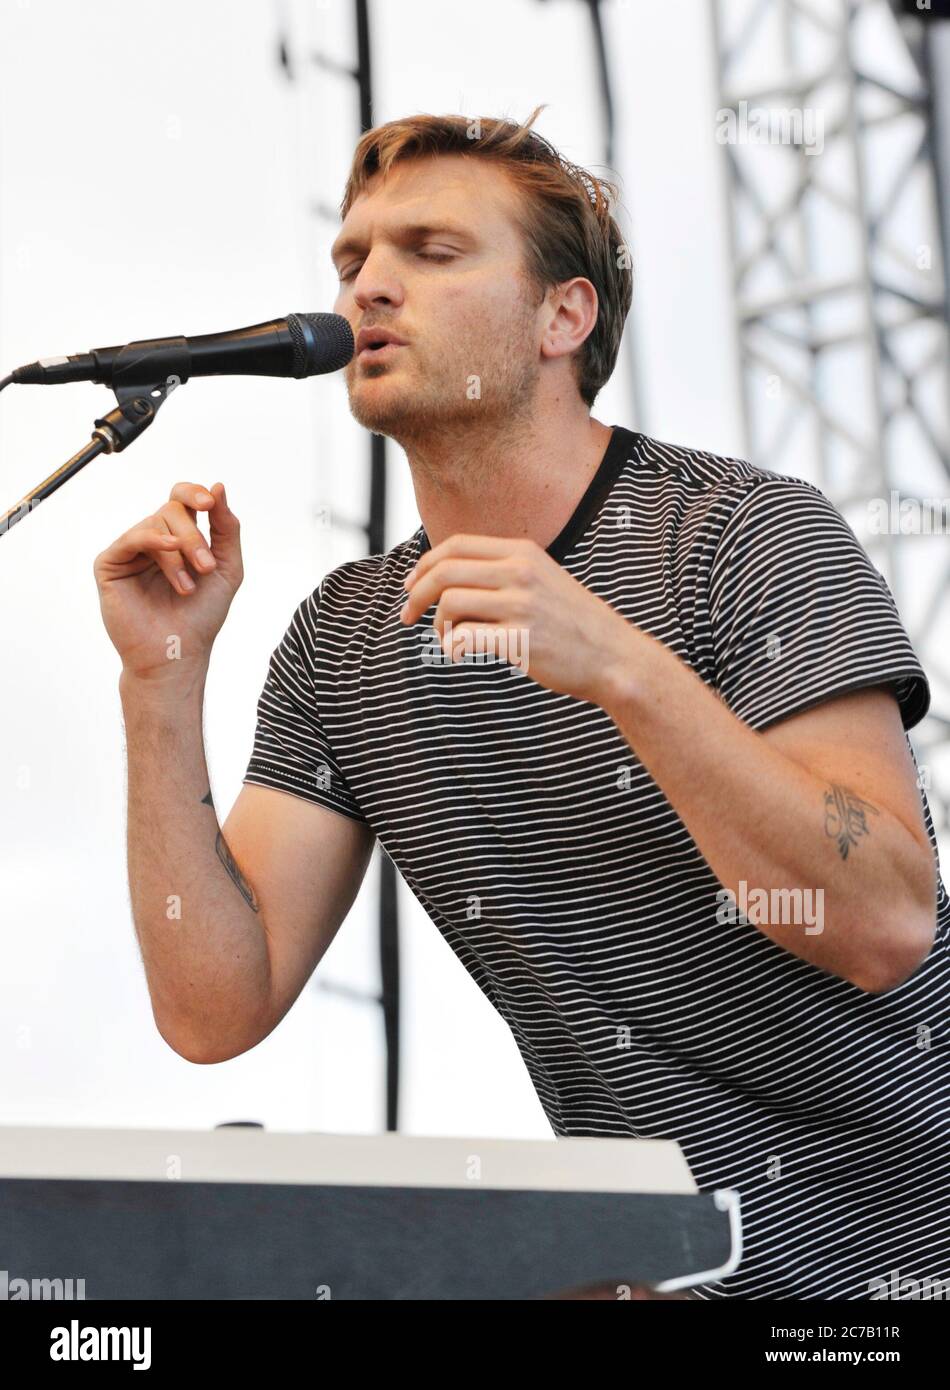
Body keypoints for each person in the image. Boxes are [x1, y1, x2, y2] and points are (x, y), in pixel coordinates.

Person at [94, 109, 950, 1301]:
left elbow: (884, 920)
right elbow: (211, 1008)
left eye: (432, 253)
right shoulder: (344, 639)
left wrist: (621, 664)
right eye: (351, 261)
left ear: (563, 317)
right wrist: (159, 683)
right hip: (667, 1272)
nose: (369, 285)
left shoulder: (740, 535)